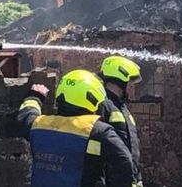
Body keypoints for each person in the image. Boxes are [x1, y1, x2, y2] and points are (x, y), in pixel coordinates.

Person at [17, 69, 136, 187]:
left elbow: (26, 116)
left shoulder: (39, 125)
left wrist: (34, 97)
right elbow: (124, 161)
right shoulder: (98, 131)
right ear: (91, 98)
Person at [97, 56, 143, 187]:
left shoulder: (122, 107)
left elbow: (131, 145)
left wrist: (137, 177)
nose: (131, 86)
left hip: (130, 179)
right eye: (129, 82)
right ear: (120, 80)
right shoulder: (103, 105)